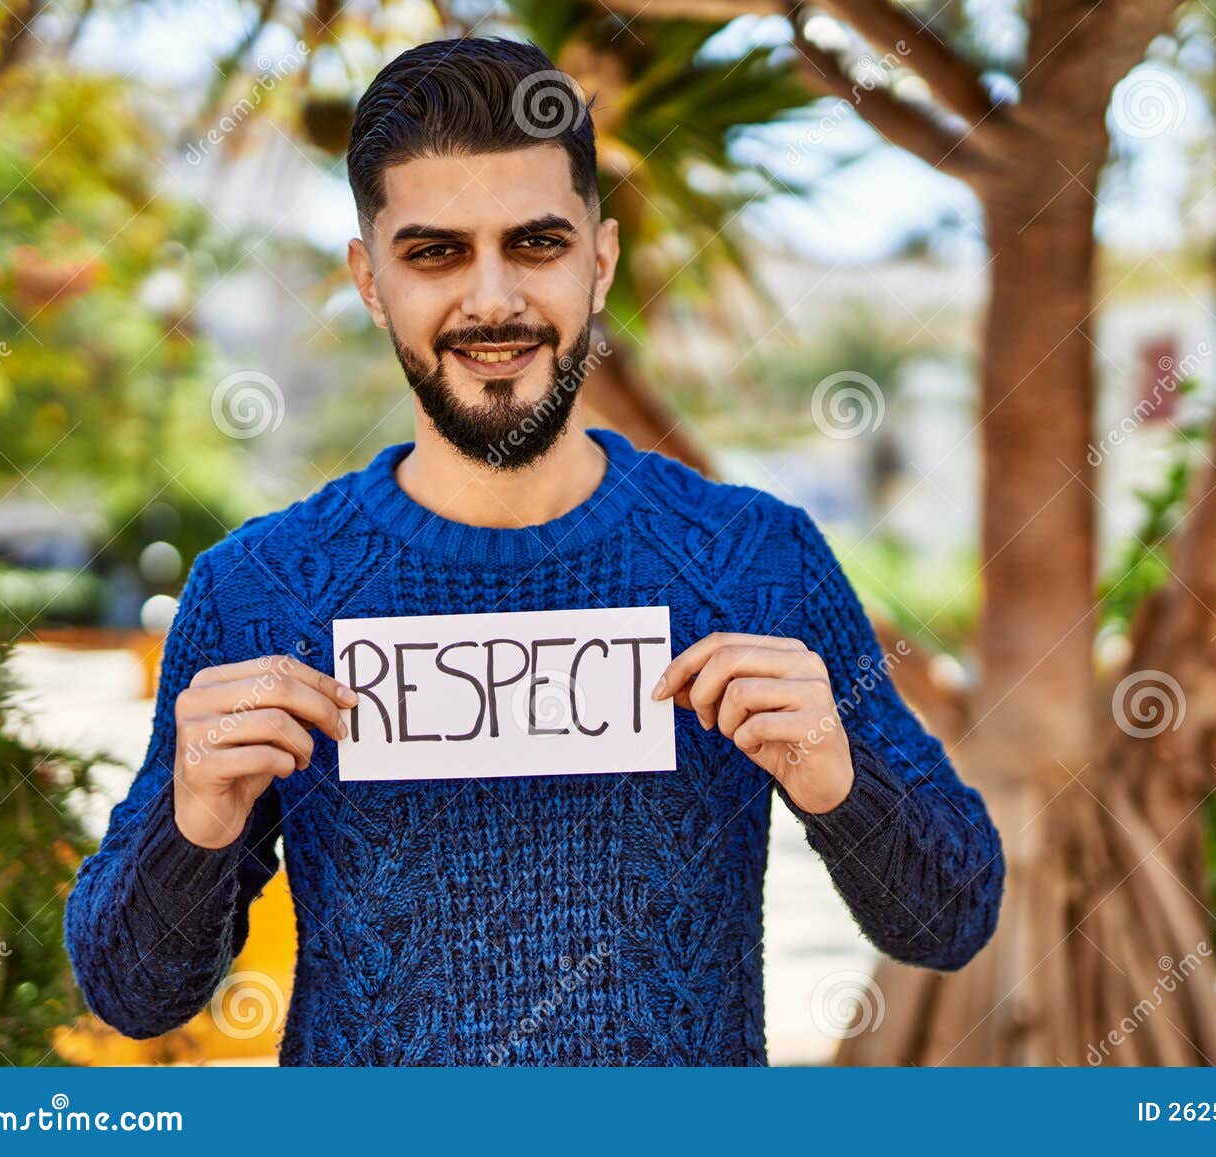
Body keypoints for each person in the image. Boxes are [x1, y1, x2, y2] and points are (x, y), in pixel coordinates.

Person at [64, 35, 1005, 1066]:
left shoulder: (755, 559)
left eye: (536, 243)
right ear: (370, 279)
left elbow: (951, 915)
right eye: (435, 252)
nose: (492, 299)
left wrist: (841, 775)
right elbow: (133, 991)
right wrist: (192, 822)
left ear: (598, 261)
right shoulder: (256, 590)